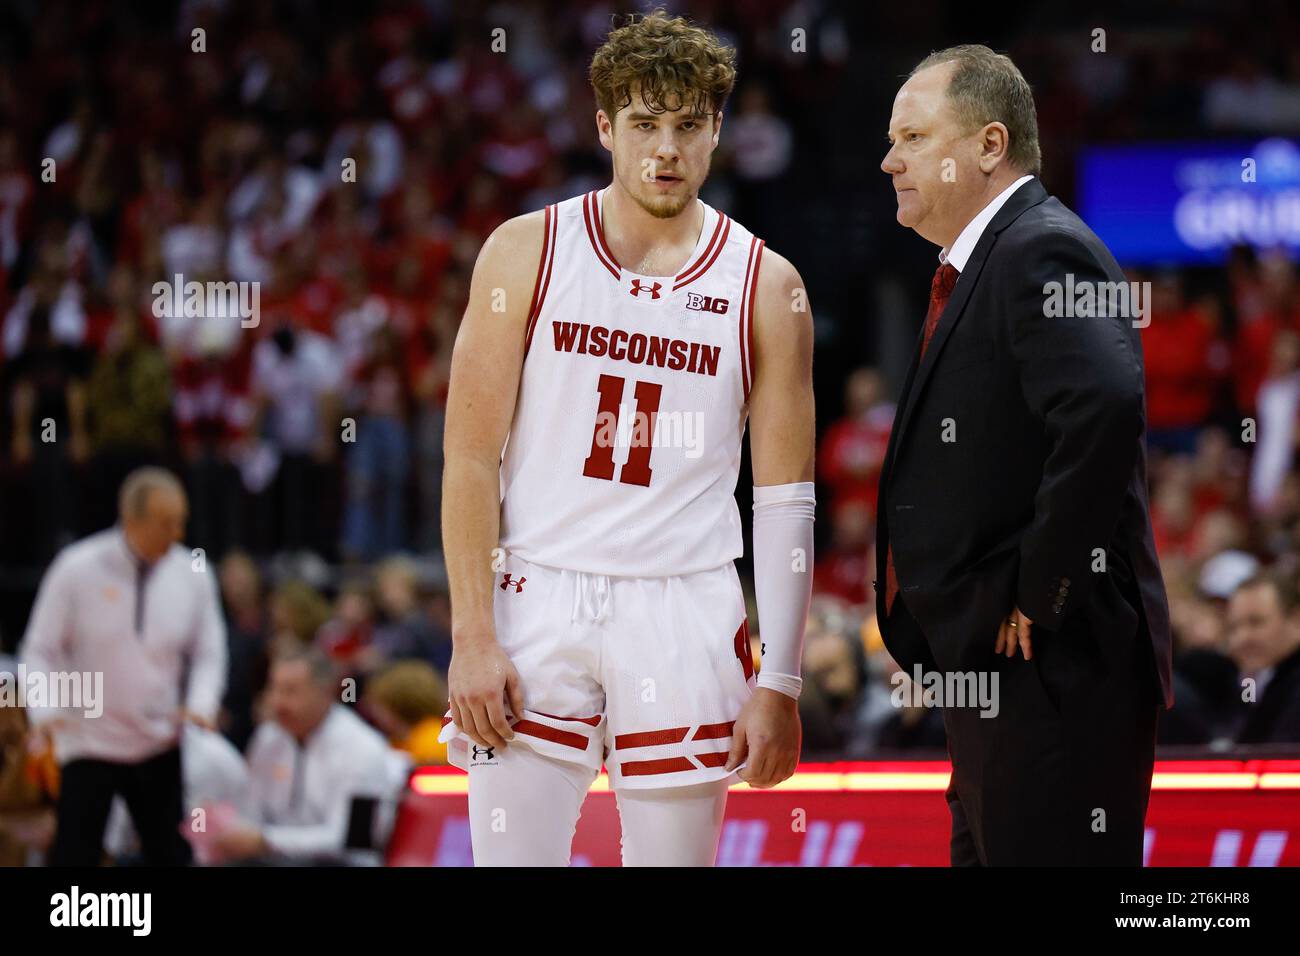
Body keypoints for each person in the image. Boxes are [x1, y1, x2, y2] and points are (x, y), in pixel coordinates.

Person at [439, 9, 815, 866]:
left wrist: (781, 680)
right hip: (536, 589)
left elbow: (786, 498)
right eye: (645, 124)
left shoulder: (767, 286)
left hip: (684, 602)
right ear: (605, 128)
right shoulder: (524, 252)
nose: (665, 150)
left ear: (717, 130)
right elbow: (469, 458)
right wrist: (470, 635)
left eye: (687, 125)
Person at [876, 45, 1172, 865]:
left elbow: (1105, 407)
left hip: (1054, 667)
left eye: (912, 137)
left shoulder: (1040, 247)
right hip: (1005, 675)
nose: (890, 160)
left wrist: (1044, 592)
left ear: (989, 144)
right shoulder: (987, 262)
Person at [20, 466, 227, 865]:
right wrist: (43, 708)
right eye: (166, 523)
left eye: (181, 521)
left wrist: (202, 703)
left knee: (170, 856)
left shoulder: (194, 572)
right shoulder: (76, 567)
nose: (177, 533)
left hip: (159, 737)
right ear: (131, 519)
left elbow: (209, 651)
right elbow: (39, 648)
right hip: (88, 736)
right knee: (74, 855)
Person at [214, 646, 407, 865]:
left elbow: (348, 838)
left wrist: (266, 840)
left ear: (325, 691)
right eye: (273, 689)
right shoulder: (268, 738)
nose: (277, 702)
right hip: (274, 859)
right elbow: (251, 813)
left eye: (290, 691)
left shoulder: (362, 748)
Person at [1226, 572, 1300, 744]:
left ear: (1296, 619)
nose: (1242, 638)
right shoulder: (1251, 681)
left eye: (1256, 622)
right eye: (1233, 627)